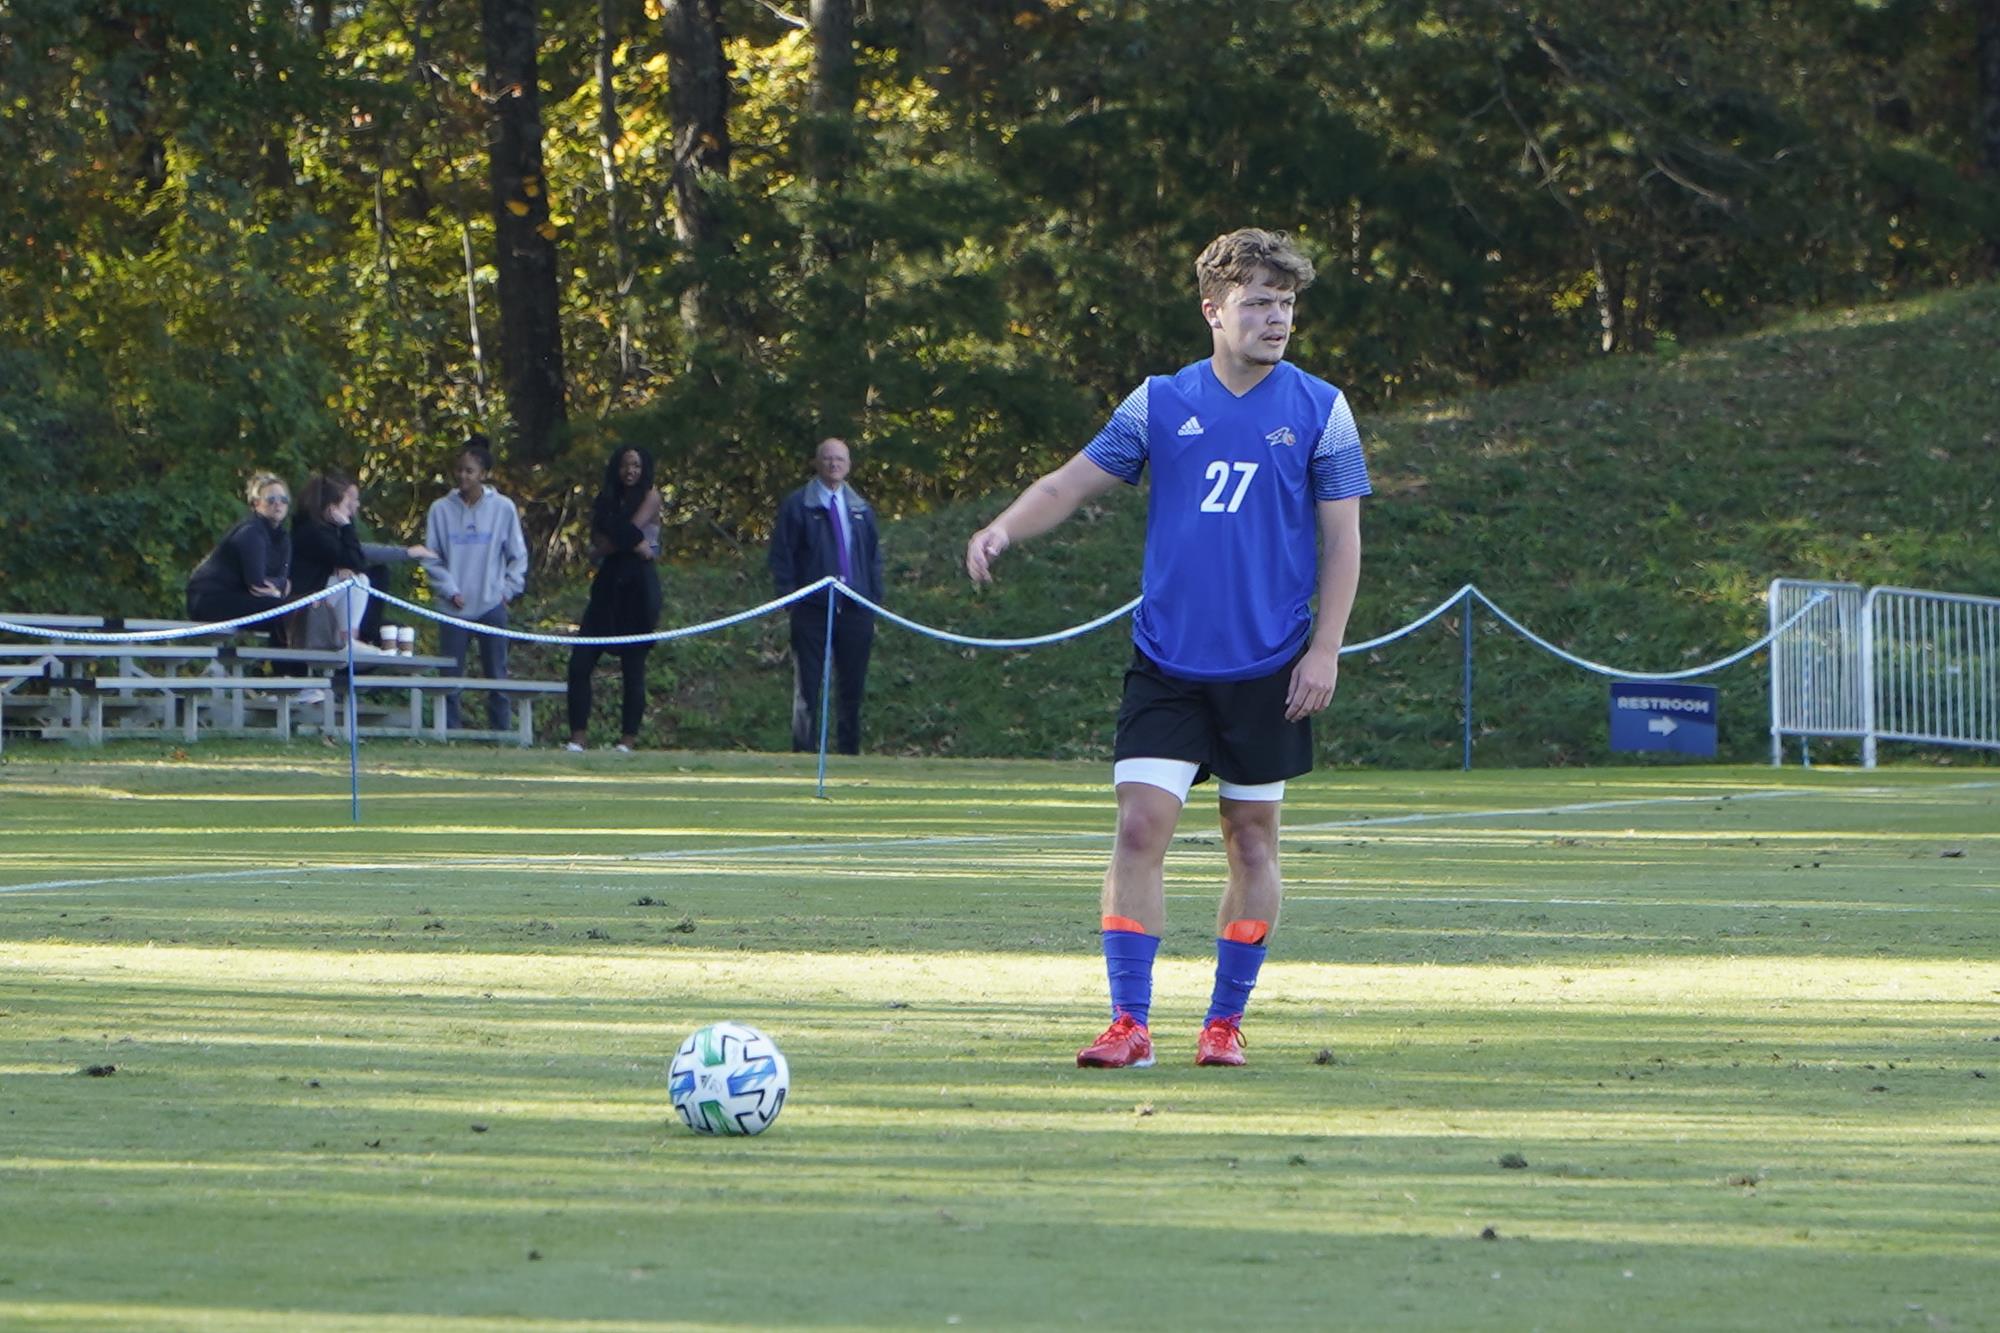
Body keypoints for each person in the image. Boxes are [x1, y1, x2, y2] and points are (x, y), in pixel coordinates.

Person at [964, 228, 1369, 1069]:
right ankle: (1129, 1022)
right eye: (1258, 302)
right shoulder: (1159, 402)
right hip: (1168, 660)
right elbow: (1068, 483)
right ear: (1213, 309)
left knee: (1251, 841)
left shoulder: (1322, 409)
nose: (1277, 318)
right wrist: (1004, 526)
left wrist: (1324, 650)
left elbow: (1343, 539)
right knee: (1139, 825)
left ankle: (1223, 1022)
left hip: (1270, 663)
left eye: (1286, 303)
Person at [769, 437, 884, 755]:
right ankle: (804, 751)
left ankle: (849, 752)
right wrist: (789, 598)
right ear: (817, 463)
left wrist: (873, 598)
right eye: (828, 458)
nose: (834, 464)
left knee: (852, 686)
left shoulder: (860, 508)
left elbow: (873, 556)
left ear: (849, 465)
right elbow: (782, 554)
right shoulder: (798, 505)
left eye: (840, 459)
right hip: (811, 608)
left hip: (856, 607)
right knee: (807, 685)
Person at [424, 435, 530, 730]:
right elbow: (431, 557)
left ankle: (502, 732)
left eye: (469, 471)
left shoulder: (503, 508)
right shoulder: (440, 509)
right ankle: (449, 731)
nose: (463, 476)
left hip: (490, 603)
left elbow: (518, 555)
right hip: (453, 607)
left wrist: (507, 590)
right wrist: (449, 590)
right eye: (459, 470)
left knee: (496, 672)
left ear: (483, 474)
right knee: (450, 674)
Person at [565, 446, 662, 752]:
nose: (630, 471)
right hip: (607, 585)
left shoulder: (651, 496)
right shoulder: (606, 498)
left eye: (636, 465)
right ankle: (578, 737)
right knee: (580, 663)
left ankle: (627, 740)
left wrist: (608, 545)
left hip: (638, 587)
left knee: (633, 669)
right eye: (624, 465)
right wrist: (630, 543)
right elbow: (610, 532)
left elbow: (624, 531)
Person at [292, 469, 437, 653]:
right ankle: (348, 639)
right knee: (355, 581)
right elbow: (355, 560)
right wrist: (346, 526)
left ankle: (351, 636)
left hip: (320, 598)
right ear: (332, 509)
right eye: (345, 506)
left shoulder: (328, 530)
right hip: (307, 601)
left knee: (362, 578)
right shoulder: (315, 532)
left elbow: (355, 557)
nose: (350, 511)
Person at [186, 472, 296, 639]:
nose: (278, 504)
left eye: (283, 499)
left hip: (239, 596)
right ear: (256, 503)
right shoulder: (251, 532)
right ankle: (288, 654)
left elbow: (282, 581)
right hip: (208, 599)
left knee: (292, 608)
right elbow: (257, 584)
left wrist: (278, 586)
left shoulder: (283, 538)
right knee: (282, 610)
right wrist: (278, 587)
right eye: (271, 500)